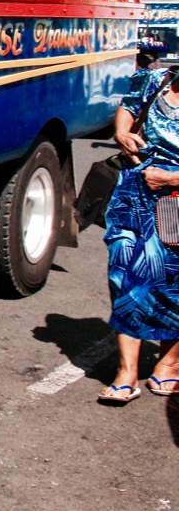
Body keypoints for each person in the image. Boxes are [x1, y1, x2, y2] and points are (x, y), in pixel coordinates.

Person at [98, 66, 179, 404]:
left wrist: (173, 180)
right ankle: (126, 371)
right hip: (134, 194)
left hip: (174, 201)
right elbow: (129, 105)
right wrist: (122, 132)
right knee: (124, 276)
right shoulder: (157, 79)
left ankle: (168, 364)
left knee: (172, 280)